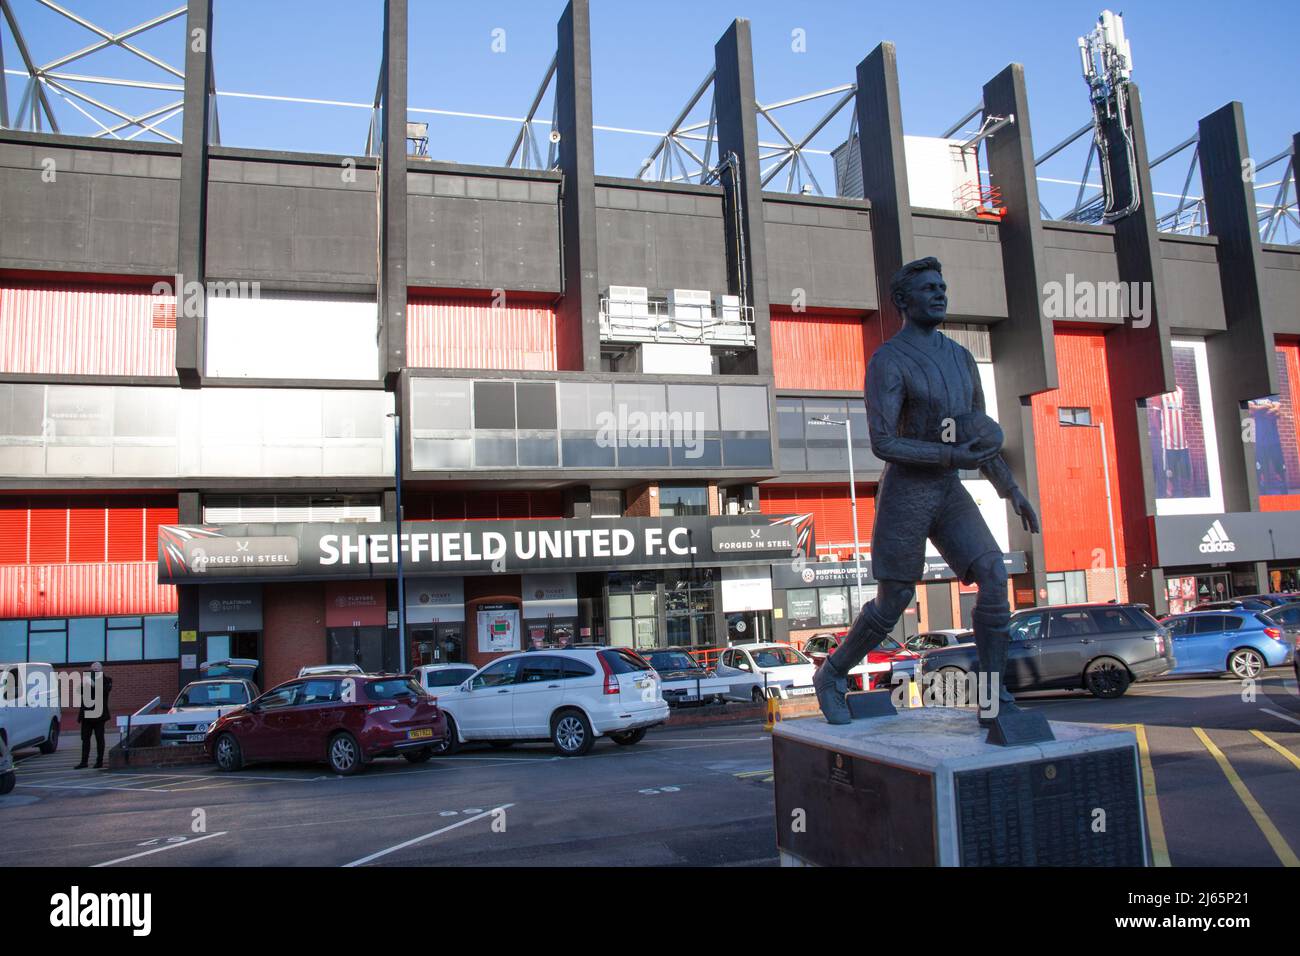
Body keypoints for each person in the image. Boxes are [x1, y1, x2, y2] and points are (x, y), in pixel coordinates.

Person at [813, 257, 1041, 726]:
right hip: (907, 493)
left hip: (948, 491)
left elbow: (978, 434)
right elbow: (884, 443)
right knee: (895, 598)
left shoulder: (960, 357)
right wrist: (949, 458)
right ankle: (833, 672)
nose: (940, 294)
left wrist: (1010, 488)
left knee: (995, 576)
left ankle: (993, 699)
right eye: (928, 289)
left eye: (943, 286)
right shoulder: (888, 361)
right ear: (903, 301)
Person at [75, 662, 113, 769]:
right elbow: (79, 691)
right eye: (93, 669)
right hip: (87, 715)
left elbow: (105, 691)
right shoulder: (87, 680)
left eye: (97, 669)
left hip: (99, 715)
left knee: (99, 738)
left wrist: (93, 684)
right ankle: (84, 762)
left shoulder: (107, 680)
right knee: (85, 739)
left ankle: (99, 761)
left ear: (101, 670)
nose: (95, 671)